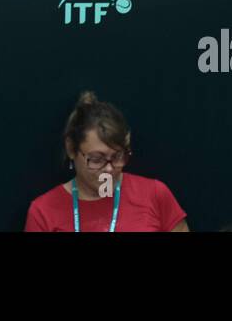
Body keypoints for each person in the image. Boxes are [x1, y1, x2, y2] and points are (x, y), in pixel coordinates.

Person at [25, 91, 189, 232]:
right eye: (97, 159)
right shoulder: (43, 212)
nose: (109, 169)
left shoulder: (154, 195)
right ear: (71, 149)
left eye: (117, 157)